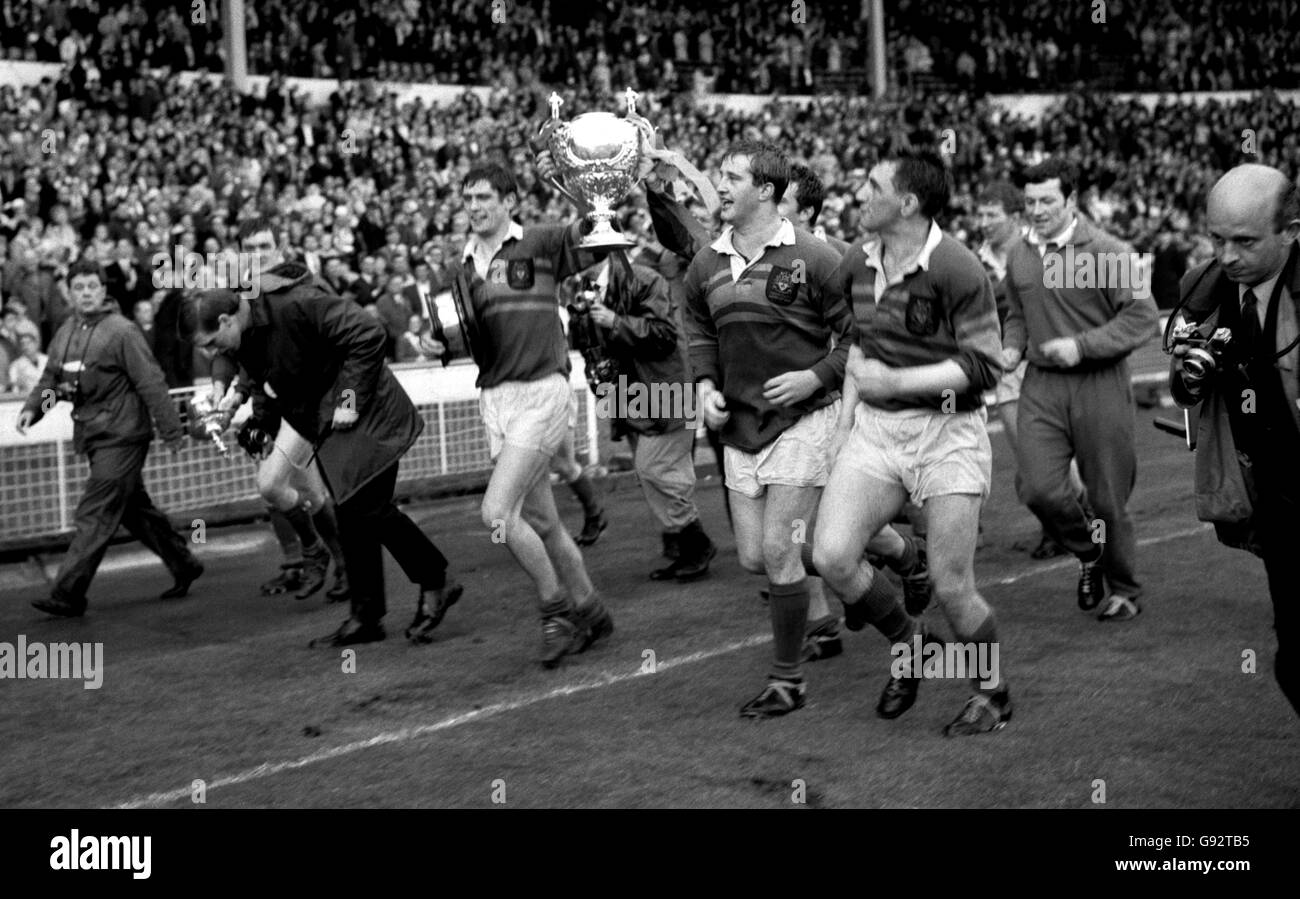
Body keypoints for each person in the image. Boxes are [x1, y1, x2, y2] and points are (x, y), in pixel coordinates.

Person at [814, 148, 1010, 736]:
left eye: (872, 185)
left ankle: (994, 695)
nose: (859, 191)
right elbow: (860, 351)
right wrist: (845, 427)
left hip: (948, 433)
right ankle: (910, 639)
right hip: (877, 432)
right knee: (830, 556)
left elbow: (985, 367)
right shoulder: (855, 261)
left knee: (952, 584)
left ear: (907, 203)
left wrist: (899, 381)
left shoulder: (957, 267)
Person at [181, 270, 463, 648]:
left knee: (367, 509)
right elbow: (270, 377)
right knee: (353, 513)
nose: (214, 354)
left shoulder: (295, 304)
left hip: (369, 411)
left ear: (226, 319)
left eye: (212, 343)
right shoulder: (246, 335)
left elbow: (369, 333)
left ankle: (435, 581)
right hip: (332, 422)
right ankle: (367, 616)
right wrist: (261, 423)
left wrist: (350, 397)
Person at [682, 140, 856, 717]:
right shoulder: (706, 262)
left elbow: (859, 338)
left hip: (805, 419)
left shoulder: (819, 257)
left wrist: (815, 378)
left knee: (782, 550)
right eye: (720, 174)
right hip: (742, 424)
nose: (720, 185)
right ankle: (894, 599)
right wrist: (706, 386)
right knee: (758, 558)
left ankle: (788, 681)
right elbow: (699, 331)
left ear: (766, 191)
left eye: (731, 176)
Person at [435, 161, 613, 668]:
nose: (474, 207)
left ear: (510, 201)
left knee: (496, 514)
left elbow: (599, 234)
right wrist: (442, 341)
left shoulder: (539, 242)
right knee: (543, 521)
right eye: (468, 199)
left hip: (543, 393)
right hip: (497, 398)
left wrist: (583, 185)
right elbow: (475, 339)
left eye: (485, 197)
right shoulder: (464, 268)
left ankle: (555, 612)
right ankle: (591, 609)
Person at [1168, 164, 1300, 717]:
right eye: (1216, 238)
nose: (1226, 256)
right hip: (1273, 496)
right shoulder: (1201, 288)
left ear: (1291, 230)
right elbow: (1183, 386)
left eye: (1244, 241)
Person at [1002, 159, 1159, 622]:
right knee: (1037, 489)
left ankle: (1125, 588)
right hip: (1042, 384)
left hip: (1100, 384)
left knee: (1108, 497)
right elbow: (1016, 314)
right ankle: (1089, 551)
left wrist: (1082, 345)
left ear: (1071, 200)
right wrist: (1012, 347)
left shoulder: (1109, 251)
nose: (1037, 209)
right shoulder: (1019, 253)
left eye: (1047, 200)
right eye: (1029, 201)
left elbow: (1143, 317)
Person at [16, 260, 203, 617]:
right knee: (133, 509)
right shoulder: (64, 331)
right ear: (69, 293)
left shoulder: (122, 331)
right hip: (95, 434)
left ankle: (68, 592)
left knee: (96, 510)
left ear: (103, 291)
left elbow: (151, 381)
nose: (86, 293)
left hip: (124, 435)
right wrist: (33, 410)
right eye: (79, 287)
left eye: (92, 286)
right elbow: (51, 381)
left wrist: (171, 430)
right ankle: (184, 562)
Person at [211, 217, 349, 603]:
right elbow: (227, 349)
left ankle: (317, 555)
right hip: (269, 404)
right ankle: (339, 565)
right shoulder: (240, 292)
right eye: (250, 248)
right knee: (306, 492)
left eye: (265, 246)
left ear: (280, 246)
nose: (259, 255)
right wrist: (224, 390)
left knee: (274, 485)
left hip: (304, 400)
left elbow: (335, 335)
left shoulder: (304, 285)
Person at [568, 245, 716, 580]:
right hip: (630, 389)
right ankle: (684, 545)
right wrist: (580, 320)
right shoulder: (585, 287)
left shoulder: (644, 278)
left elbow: (664, 335)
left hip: (664, 385)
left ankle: (695, 543)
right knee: (656, 470)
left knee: (655, 467)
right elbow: (582, 342)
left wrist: (614, 321)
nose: (579, 261)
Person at [974, 181, 1079, 560]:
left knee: (1057, 461)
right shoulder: (976, 260)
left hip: (1052, 365)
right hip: (1010, 371)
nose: (983, 222)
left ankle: (1082, 524)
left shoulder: (1044, 250)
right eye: (980, 214)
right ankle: (1061, 528)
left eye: (991, 215)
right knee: (1032, 462)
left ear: (1014, 217)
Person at [8, 321, 46, 395]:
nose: (26, 346)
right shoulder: (16, 366)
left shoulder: (47, 360)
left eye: (28, 343)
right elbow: (14, 389)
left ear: (36, 344)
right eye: (23, 344)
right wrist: (19, 383)